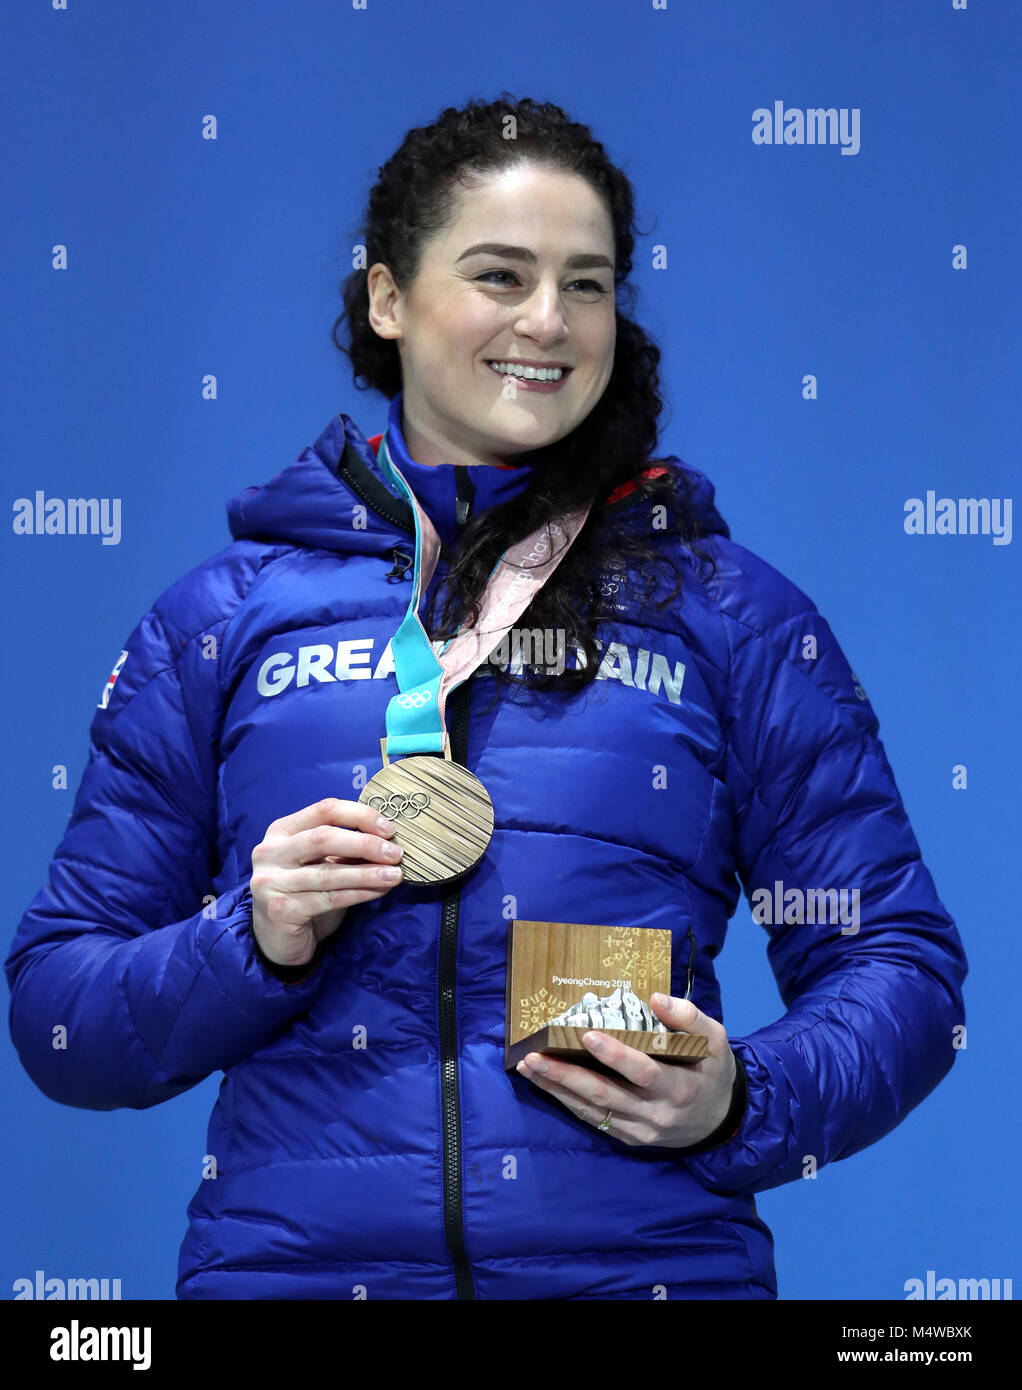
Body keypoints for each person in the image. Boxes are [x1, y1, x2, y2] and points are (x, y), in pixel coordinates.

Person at [5, 94, 967, 1301]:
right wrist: (241, 941)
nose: (547, 322)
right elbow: (57, 1013)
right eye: (499, 274)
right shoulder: (219, 619)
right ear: (388, 301)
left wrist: (742, 1097)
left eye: (587, 283)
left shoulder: (730, 613)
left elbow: (901, 968)